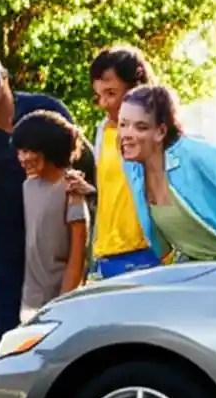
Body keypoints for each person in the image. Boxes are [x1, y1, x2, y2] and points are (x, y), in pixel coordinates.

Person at [0, 45, 82, 353]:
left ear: (4, 75)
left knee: (59, 333)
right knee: (8, 339)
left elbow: (79, 165)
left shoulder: (46, 109)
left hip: (53, 242)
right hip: (5, 249)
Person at [119, 85, 216, 262]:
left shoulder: (195, 153)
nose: (126, 134)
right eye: (123, 124)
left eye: (140, 127)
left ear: (160, 131)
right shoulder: (132, 166)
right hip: (196, 270)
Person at [65, 45, 161, 279]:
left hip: (144, 254)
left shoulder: (157, 135)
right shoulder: (103, 131)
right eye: (99, 95)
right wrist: (90, 191)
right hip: (105, 254)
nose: (104, 103)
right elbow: (116, 190)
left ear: (136, 89)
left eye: (111, 93)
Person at [11, 110, 90, 321]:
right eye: (19, 151)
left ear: (49, 148)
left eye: (28, 151)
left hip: (60, 299)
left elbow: (78, 250)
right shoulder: (28, 186)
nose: (22, 158)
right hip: (30, 298)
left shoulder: (71, 188)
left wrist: (65, 299)